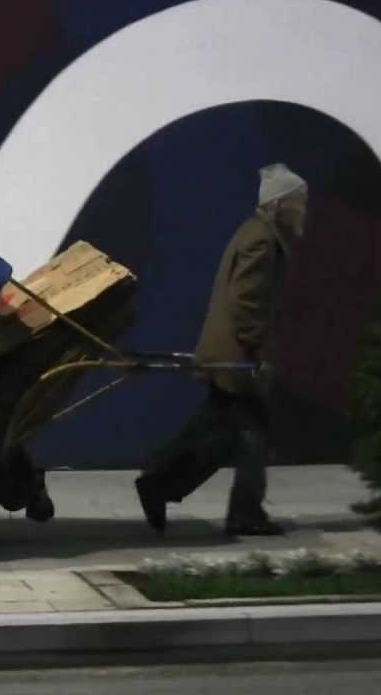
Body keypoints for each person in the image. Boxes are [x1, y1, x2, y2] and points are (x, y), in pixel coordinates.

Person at [135, 163, 308, 537]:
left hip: (229, 352)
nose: (303, 211)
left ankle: (159, 483)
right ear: (279, 206)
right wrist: (255, 354)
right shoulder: (263, 240)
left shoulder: (254, 232)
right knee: (250, 435)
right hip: (237, 357)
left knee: (216, 430)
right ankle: (242, 513)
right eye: (298, 203)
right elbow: (246, 302)